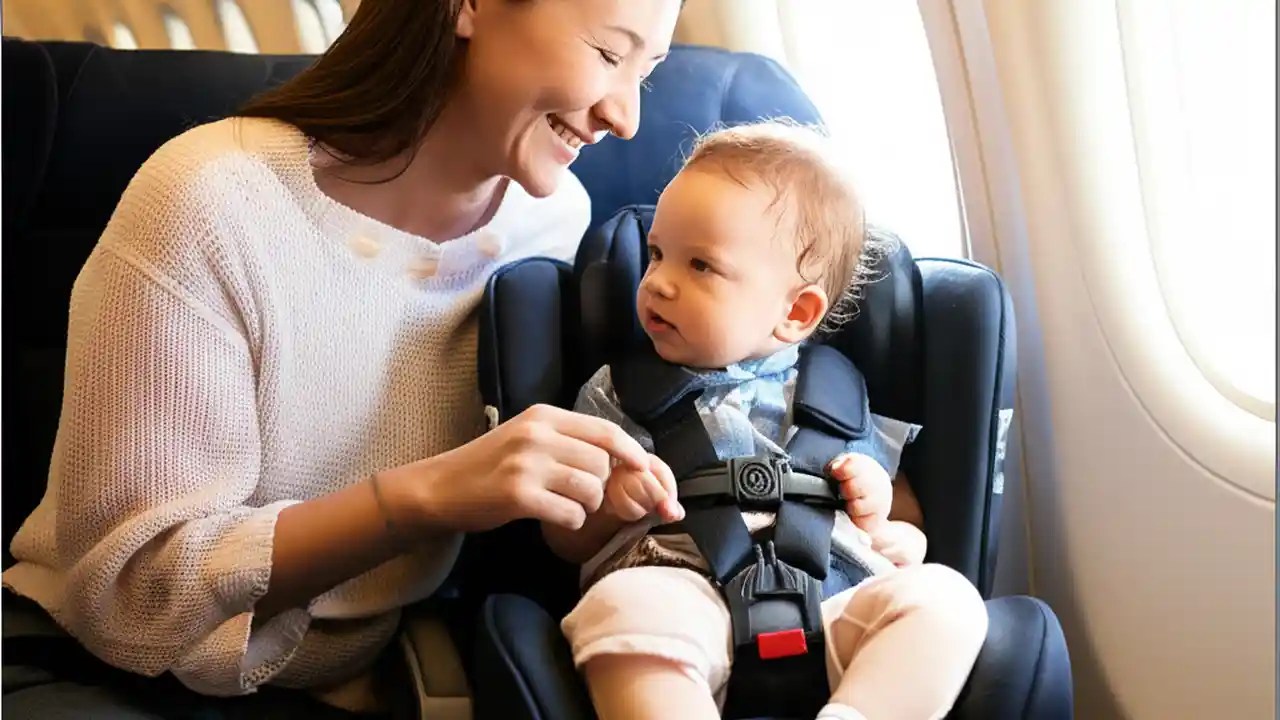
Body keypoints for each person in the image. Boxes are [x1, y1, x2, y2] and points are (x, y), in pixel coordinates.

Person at [2, 0, 682, 716]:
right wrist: (431, 495)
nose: (627, 116)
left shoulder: (550, 223)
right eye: (610, 55)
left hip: (359, 675)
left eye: (649, 71)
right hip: (105, 670)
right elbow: (132, 597)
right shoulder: (211, 202)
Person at [547, 121, 991, 720]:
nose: (659, 283)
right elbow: (563, 538)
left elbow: (908, 522)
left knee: (948, 599)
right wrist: (609, 502)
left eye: (700, 266)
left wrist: (884, 515)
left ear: (796, 311)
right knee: (623, 610)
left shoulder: (840, 397)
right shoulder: (615, 392)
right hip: (676, 582)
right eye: (656, 255)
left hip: (836, 591)